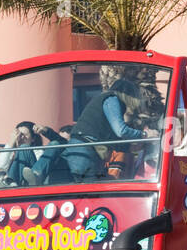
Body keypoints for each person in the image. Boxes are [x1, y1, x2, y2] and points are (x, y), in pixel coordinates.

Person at [26, 79, 156, 184]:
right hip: (85, 155)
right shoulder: (112, 99)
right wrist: (145, 135)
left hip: (76, 153)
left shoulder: (101, 116)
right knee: (91, 197)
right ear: (128, 94)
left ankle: (36, 176)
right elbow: (120, 130)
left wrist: (136, 146)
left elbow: (113, 141)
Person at [0, 121, 41, 186]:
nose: (20, 137)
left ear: (33, 138)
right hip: (14, 184)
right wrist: (11, 142)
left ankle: (11, 181)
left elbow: (38, 170)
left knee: (24, 147)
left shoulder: (38, 151)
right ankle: (11, 182)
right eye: (19, 134)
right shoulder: (11, 150)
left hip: (29, 183)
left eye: (24, 135)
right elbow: (0, 166)